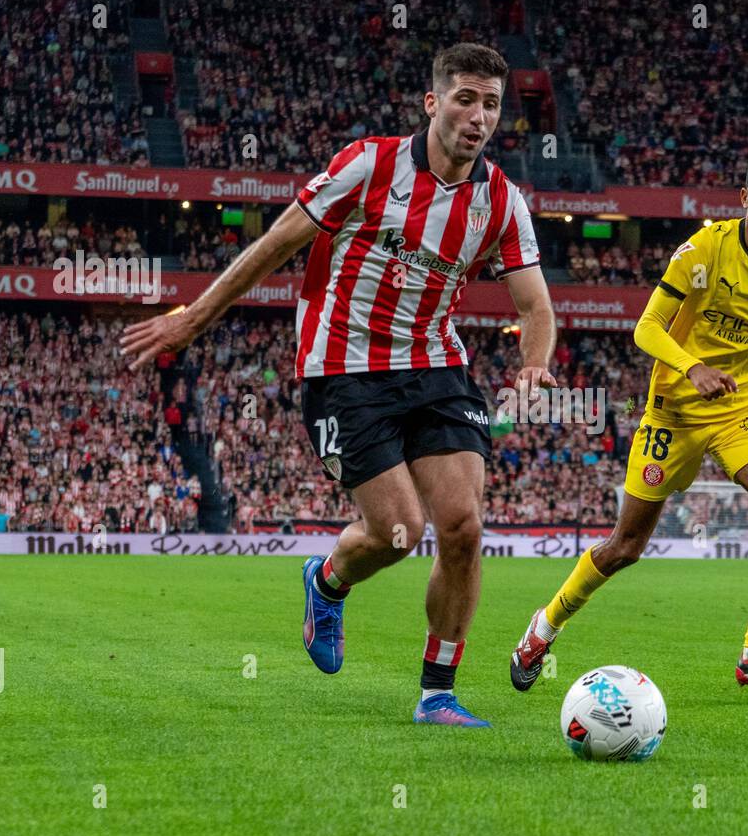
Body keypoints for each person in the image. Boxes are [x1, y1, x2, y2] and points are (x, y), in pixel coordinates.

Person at [121, 44, 557, 727]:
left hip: (436, 367)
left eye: (492, 104)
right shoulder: (369, 164)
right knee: (397, 533)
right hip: (343, 369)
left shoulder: (500, 201)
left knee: (464, 528)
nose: (478, 116)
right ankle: (326, 583)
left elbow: (536, 310)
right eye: (465, 98)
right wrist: (191, 320)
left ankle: (437, 692)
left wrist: (534, 362)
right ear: (432, 101)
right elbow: (275, 245)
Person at [509, 149, 748, 697]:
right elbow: (646, 328)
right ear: (744, 199)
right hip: (674, 410)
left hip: (743, 410)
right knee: (625, 547)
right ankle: (543, 628)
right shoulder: (706, 249)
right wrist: (693, 367)